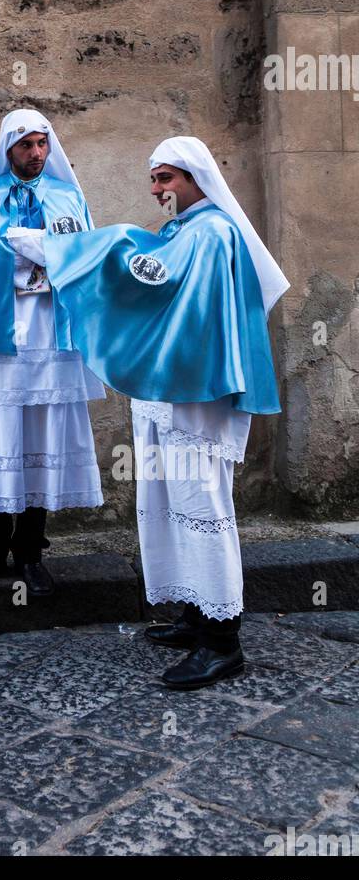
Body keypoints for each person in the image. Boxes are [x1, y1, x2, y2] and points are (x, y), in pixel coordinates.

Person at [38, 137, 289, 689]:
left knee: (202, 505)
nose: (156, 190)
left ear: (197, 177)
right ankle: (197, 616)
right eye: (153, 179)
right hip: (172, 392)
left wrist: (65, 251)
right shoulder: (186, 231)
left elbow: (146, 273)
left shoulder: (212, 231)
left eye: (166, 178)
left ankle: (224, 642)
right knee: (173, 504)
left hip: (198, 398)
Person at [0, 109, 106, 595]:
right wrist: (11, 253)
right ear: (8, 150)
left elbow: (87, 257)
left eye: (42, 144)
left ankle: (32, 551)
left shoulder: (67, 196)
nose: (36, 154)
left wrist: (49, 251)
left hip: (50, 334)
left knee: (42, 440)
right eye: (26, 146)